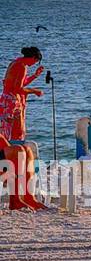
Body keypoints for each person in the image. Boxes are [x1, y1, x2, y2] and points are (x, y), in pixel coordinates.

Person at [1, 47, 46, 210]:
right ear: (33, 58)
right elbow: (17, 89)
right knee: (14, 141)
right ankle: (21, 195)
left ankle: (23, 197)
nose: (34, 65)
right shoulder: (22, 66)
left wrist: (35, 77)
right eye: (35, 62)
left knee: (17, 142)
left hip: (9, 101)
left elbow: (17, 83)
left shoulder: (17, 64)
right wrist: (34, 91)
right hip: (12, 103)